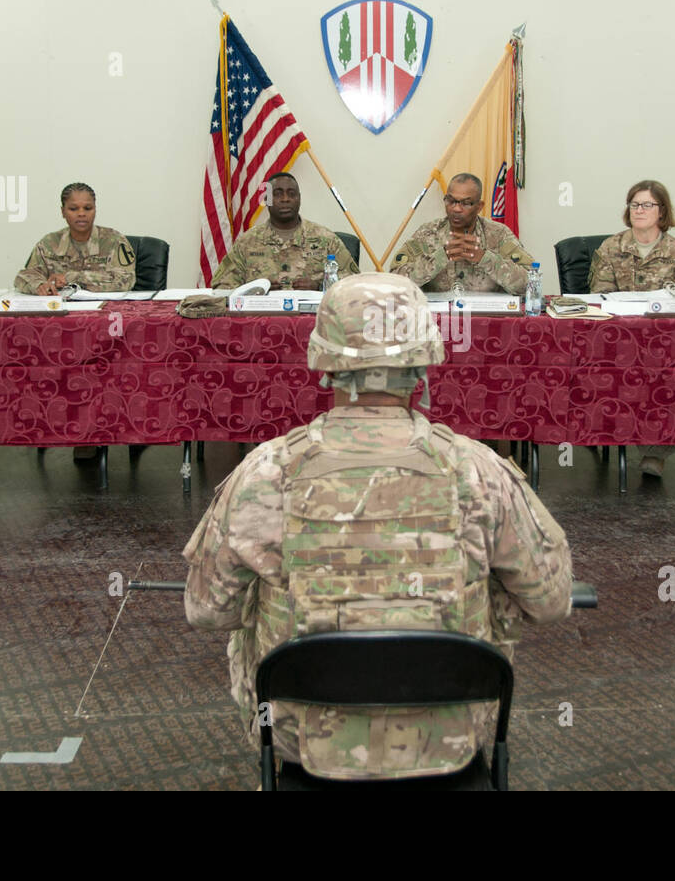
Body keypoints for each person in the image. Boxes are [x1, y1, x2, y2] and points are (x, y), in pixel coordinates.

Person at [183, 273, 572, 782]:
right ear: (422, 366)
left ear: (324, 365)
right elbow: (551, 600)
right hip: (453, 732)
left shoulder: (267, 473)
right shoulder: (479, 472)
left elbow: (208, 611)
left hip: (301, 737)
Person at [588, 179, 675, 478]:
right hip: (618, 335)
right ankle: (604, 430)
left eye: (647, 205)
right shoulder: (611, 248)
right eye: (634, 204)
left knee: (663, 375)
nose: (639, 210)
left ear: (662, 211)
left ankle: (655, 451)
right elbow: (600, 295)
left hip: (663, 338)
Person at [210, 172, 359, 289]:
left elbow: (354, 283)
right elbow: (221, 287)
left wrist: (320, 287)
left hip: (313, 323)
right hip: (261, 323)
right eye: (278, 194)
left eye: (291, 193)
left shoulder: (326, 240)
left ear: (299, 199)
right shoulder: (247, 242)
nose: (285, 199)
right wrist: (255, 289)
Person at [389, 173, 533, 294]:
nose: (456, 209)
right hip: (439, 321)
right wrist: (439, 258)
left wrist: (484, 258)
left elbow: (531, 284)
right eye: (451, 201)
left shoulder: (498, 234)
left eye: (466, 203)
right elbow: (394, 283)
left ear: (479, 206)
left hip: (487, 320)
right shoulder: (428, 233)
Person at [13, 183, 135, 295]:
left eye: (87, 208)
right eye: (73, 209)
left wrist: (71, 278)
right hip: (60, 310)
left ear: (95, 209)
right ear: (63, 212)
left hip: (102, 311)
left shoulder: (113, 241)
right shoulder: (50, 243)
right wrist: (39, 285)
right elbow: (24, 276)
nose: (81, 213)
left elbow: (126, 280)